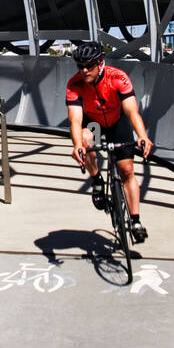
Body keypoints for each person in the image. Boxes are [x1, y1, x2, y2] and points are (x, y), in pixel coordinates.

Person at [65, 40, 153, 244]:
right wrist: (77, 144)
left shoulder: (118, 77)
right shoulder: (74, 84)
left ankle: (136, 221)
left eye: (89, 65)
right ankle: (96, 179)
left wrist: (142, 135)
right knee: (85, 140)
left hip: (116, 120)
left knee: (127, 171)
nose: (84, 70)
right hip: (93, 121)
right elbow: (75, 120)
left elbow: (132, 111)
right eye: (80, 66)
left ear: (101, 62)